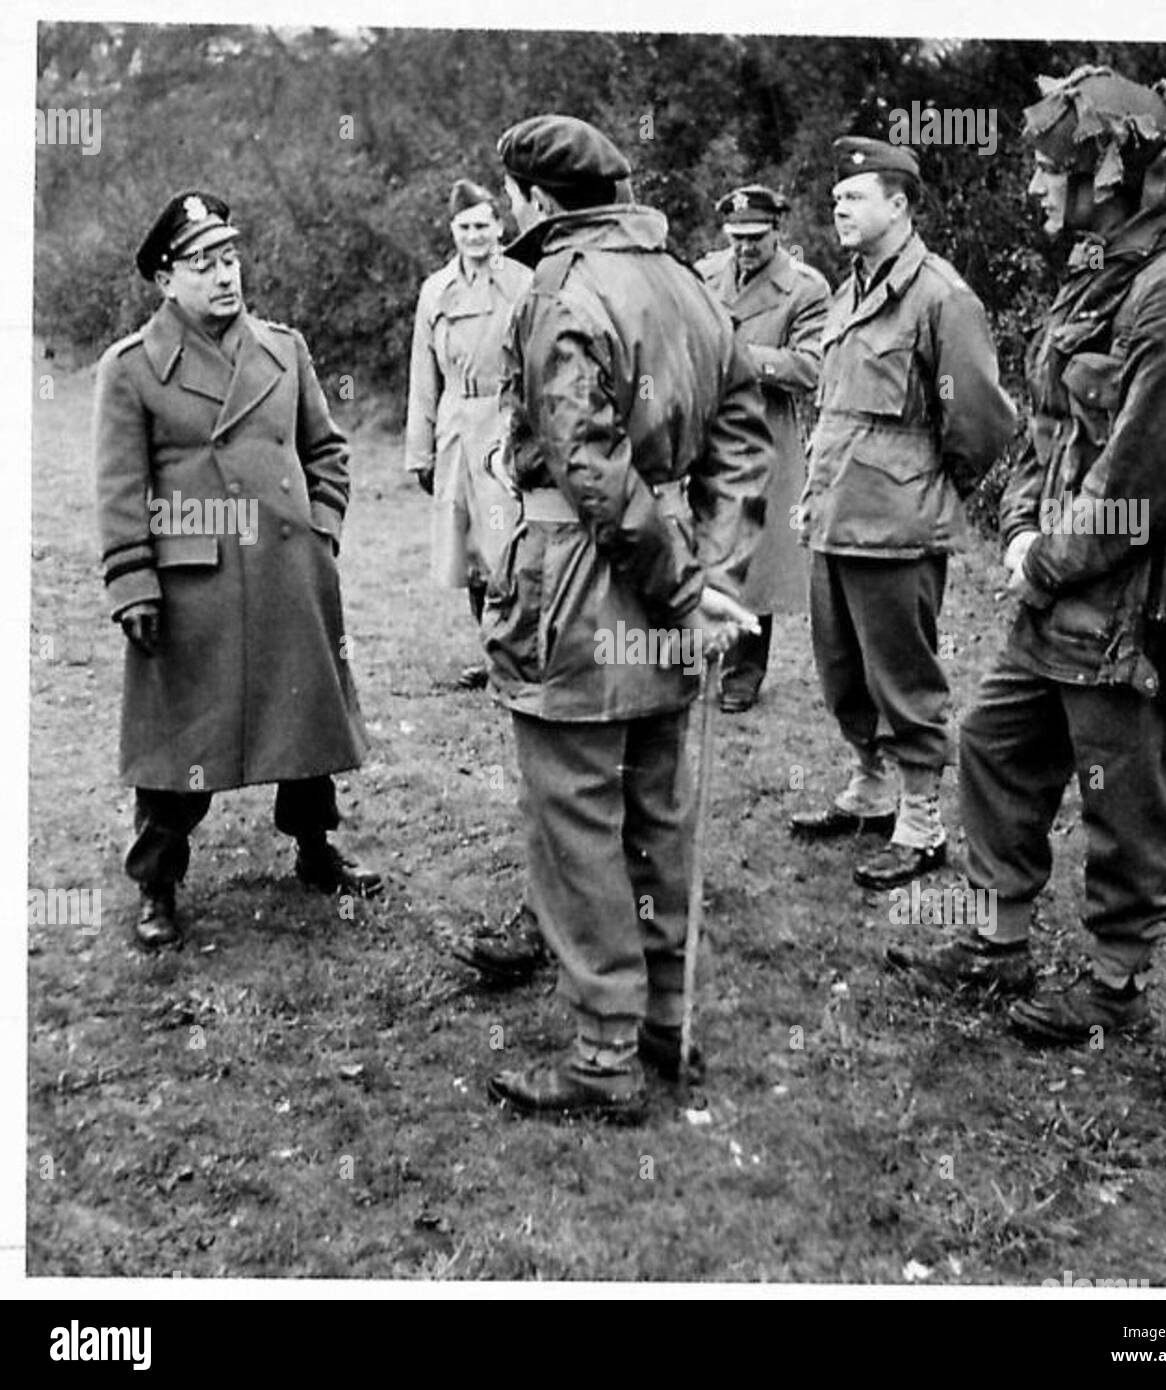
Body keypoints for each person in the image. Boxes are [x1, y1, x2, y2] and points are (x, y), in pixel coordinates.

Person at [886, 67, 1166, 1043]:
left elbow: (1146, 474)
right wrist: (1015, 525)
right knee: (996, 745)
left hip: (1129, 602)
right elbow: (1049, 425)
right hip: (1061, 585)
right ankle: (997, 944)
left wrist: (1045, 559)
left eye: (1055, 171)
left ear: (1112, 176)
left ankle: (1115, 989)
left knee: (1122, 796)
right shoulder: (1108, 270)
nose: (1039, 190)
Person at [481, 114, 774, 1121]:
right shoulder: (689, 282)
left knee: (576, 822)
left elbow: (591, 468)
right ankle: (664, 1018)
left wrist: (693, 588)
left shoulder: (562, 289)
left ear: (534, 200)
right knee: (655, 808)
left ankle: (606, 1049)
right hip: (666, 575)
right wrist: (716, 572)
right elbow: (742, 432)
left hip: (579, 585)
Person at [94, 191, 381, 948]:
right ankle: (157, 882)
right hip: (194, 584)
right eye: (203, 265)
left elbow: (326, 448)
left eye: (230, 259)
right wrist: (132, 583)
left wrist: (321, 529)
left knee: (305, 721)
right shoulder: (131, 369)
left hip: (288, 571)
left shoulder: (284, 349)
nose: (225, 277)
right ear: (166, 279)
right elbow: (121, 491)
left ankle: (316, 850)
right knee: (176, 744)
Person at [790, 138, 1015, 890]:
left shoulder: (941, 295)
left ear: (899, 204)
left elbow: (979, 419)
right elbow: (836, 408)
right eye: (836, 199)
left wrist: (926, 486)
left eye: (854, 197)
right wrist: (814, 493)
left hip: (897, 525)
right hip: (835, 515)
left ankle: (920, 821)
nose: (839, 209)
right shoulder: (848, 290)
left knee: (903, 676)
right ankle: (871, 785)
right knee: (841, 668)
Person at [696, 185, 831, 712]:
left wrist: (739, 357)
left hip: (762, 428)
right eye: (737, 238)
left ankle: (743, 673)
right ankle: (693, 656)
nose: (745, 248)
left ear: (778, 231)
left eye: (755, 238)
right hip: (704, 425)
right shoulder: (705, 274)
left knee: (757, 550)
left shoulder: (805, 288)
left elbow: (812, 366)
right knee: (699, 538)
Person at [404, 179, 533, 689]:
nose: (475, 236)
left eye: (483, 225)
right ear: (452, 231)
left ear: (499, 227)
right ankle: (491, 649)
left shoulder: (524, 282)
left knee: (510, 543)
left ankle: (523, 652)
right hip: (457, 422)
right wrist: (420, 449)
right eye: (465, 227)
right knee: (469, 549)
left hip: (507, 417)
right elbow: (422, 375)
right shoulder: (435, 290)